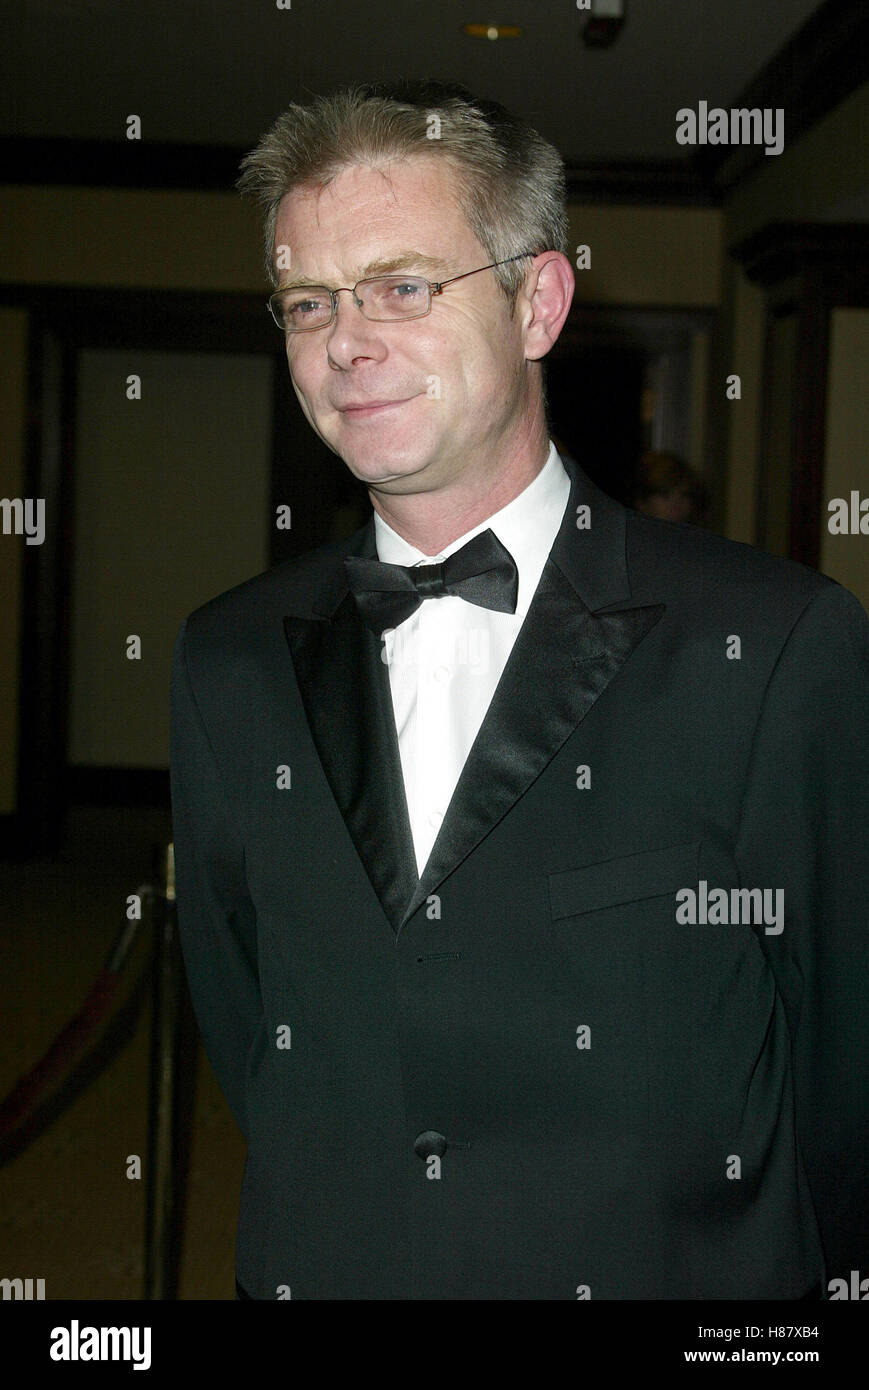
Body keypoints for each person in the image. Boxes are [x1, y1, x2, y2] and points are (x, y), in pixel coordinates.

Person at [170, 79, 869, 1300]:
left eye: (400, 285)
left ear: (536, 299)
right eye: (307, 302)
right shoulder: (226, 656)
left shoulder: (771, 643)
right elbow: (248, 1019)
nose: (347, 341)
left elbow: (843, 1072)